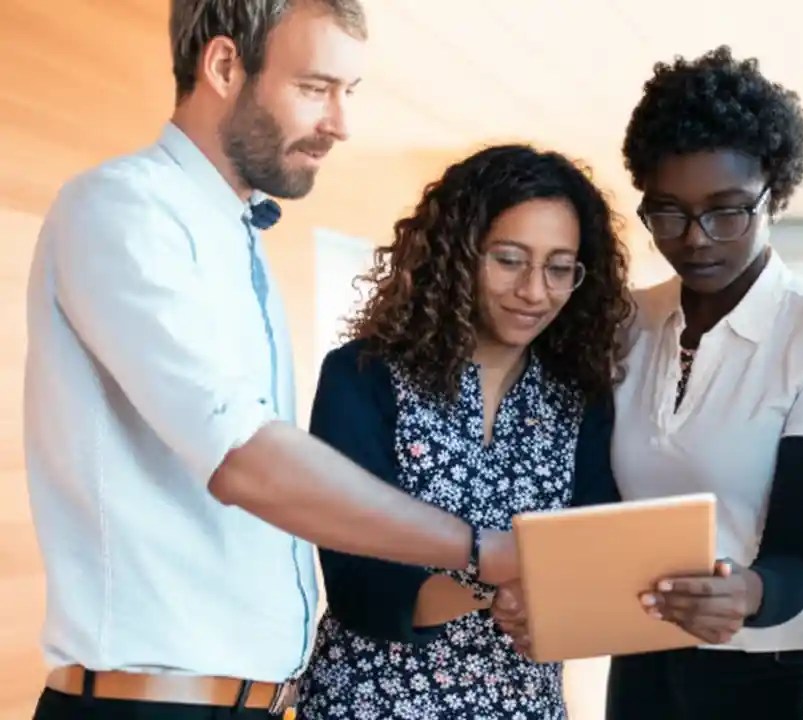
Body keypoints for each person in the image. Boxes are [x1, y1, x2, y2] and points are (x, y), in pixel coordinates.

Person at [24, 2, 520, 717]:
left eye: (350, 92)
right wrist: (476, 549)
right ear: (225, 65)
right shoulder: (123, 209)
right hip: (150, 705)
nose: (341, 122)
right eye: (316, 87)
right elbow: (245, 459)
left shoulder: (236, 239)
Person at [498, 46, 803, 720]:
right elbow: (596, 505)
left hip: (778, 670)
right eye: (669, 213)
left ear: (776, 196)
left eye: (727, 212)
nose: (697, 239)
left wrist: (750, 593)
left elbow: (798, 555)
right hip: (644, 663)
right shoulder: (625, 323)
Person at [293, 143, 631, 719]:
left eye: (558, 267)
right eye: (508, 259)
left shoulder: (583, 400)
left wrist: (565, 605)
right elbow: (357, 581)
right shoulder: (363, 376)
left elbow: (595, 557)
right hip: (370, 705)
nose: (534, 291)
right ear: (456, 255)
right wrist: (497, 586)